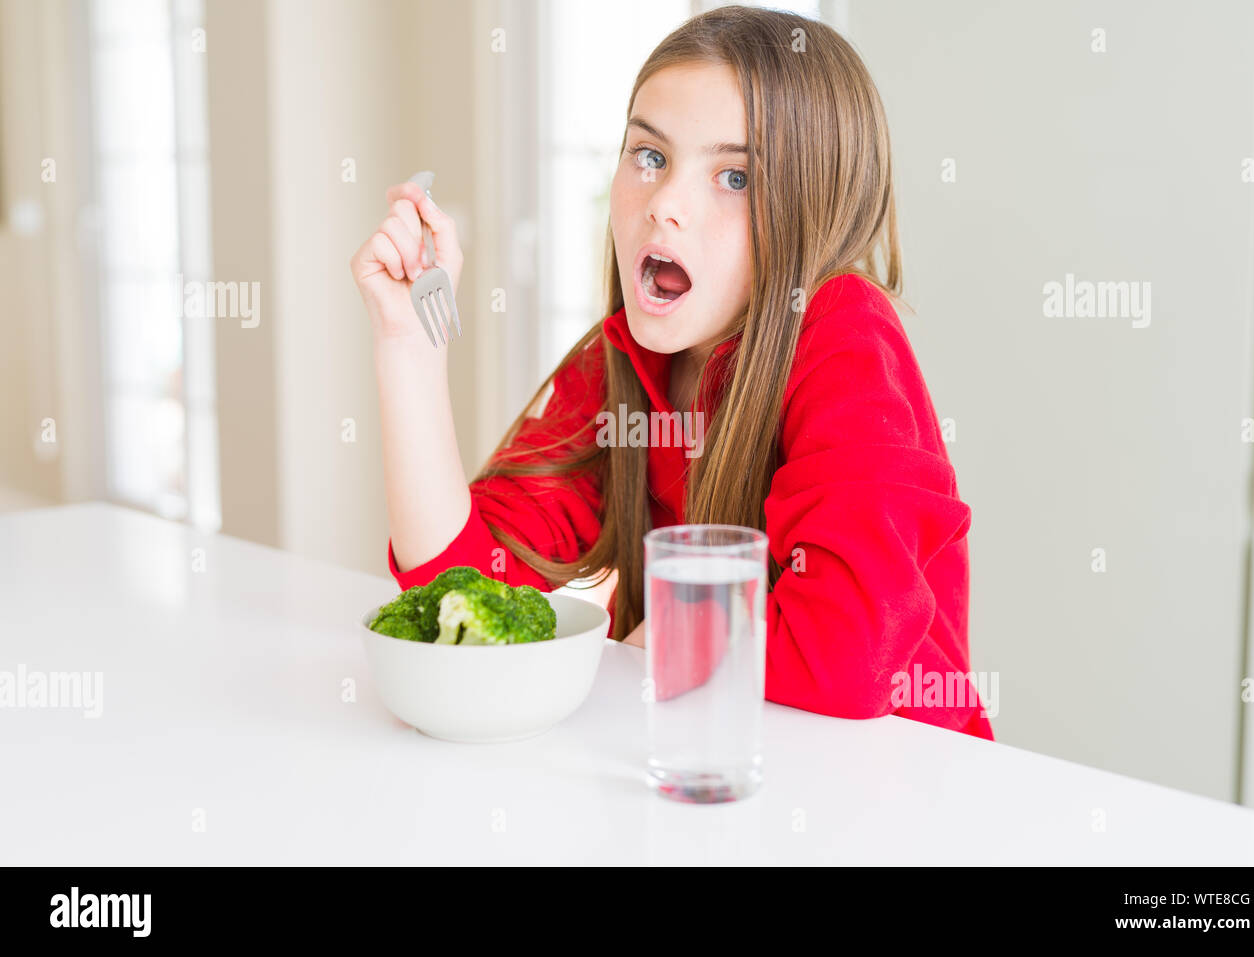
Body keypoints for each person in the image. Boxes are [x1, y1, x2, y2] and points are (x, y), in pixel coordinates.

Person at [350, 5, 993, 740]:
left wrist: (661, 635)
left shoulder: (846, 334)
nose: (664, 206)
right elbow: (464, 595)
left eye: (735, 176)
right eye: (650, 156)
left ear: (813, 211)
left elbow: (846, 654)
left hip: (908, 799)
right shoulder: (620, 363)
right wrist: (408, 347)